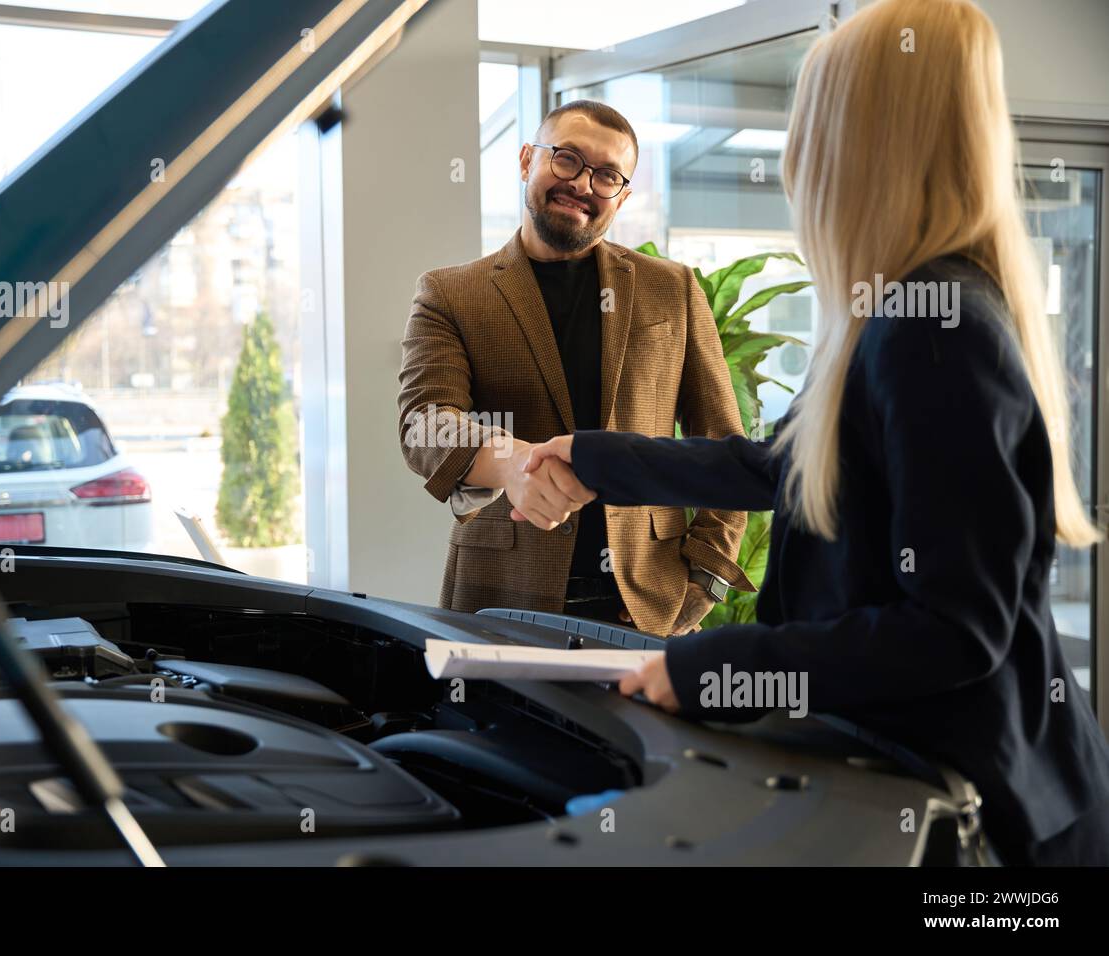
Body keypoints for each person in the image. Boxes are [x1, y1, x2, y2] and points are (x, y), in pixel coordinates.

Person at [519, 0, 1109, 866]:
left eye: (812, 122)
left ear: (858, 142)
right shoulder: (897, 310)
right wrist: (593, 455)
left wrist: (711, 667)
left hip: (992, 824)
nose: (797, 155)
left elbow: (952, 630)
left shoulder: (933, 328)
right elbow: (780, 468)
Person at [397, 100, 749, 635]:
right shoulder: (450, 292)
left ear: (623, 194)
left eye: (607, 174)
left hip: (647, 607)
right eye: (567, 159)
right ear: (525, 161)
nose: (584, 184)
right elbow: (424, 423)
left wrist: (705, 581)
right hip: (498, 595)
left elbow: (726, 446)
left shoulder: (672, 289)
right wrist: (513, 462)